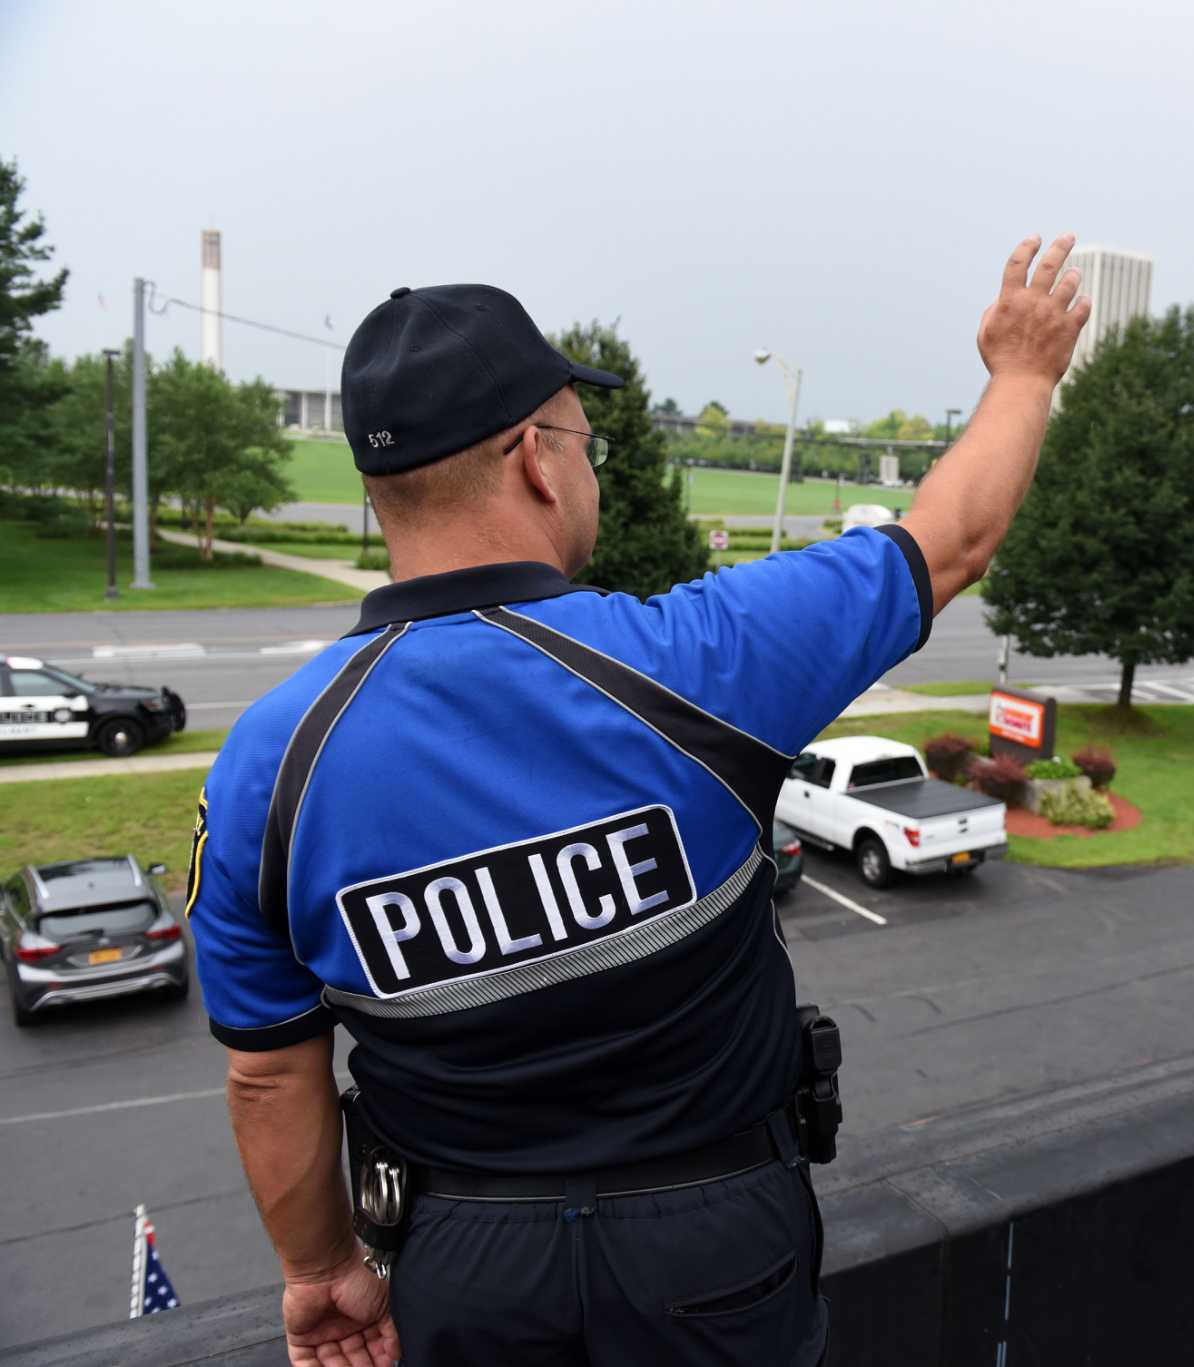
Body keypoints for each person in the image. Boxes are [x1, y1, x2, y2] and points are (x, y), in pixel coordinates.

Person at [186, 236, 1090, 1366]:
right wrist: (1022, 373)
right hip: (712, 1245)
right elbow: (948, 540)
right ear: (533, 459)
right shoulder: (697, 662)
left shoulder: (267, 767)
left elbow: (271, 1068)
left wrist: (321, 1270)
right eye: (582, 436)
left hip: (462, 1262)